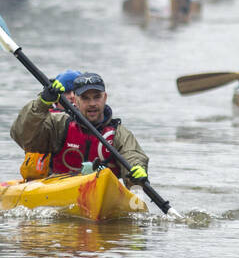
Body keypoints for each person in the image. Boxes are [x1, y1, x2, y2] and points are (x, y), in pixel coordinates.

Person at [10, 71, 150, 184]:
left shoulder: (119, 134)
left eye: (97, 97)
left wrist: (137, 168)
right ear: (75, 100)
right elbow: (21, 136)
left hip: (100, 193)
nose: (92, 103)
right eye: (85, 98)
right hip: (57, 188)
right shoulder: (59, 124)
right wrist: (42, 103)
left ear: (105, 97)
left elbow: (133, 154)